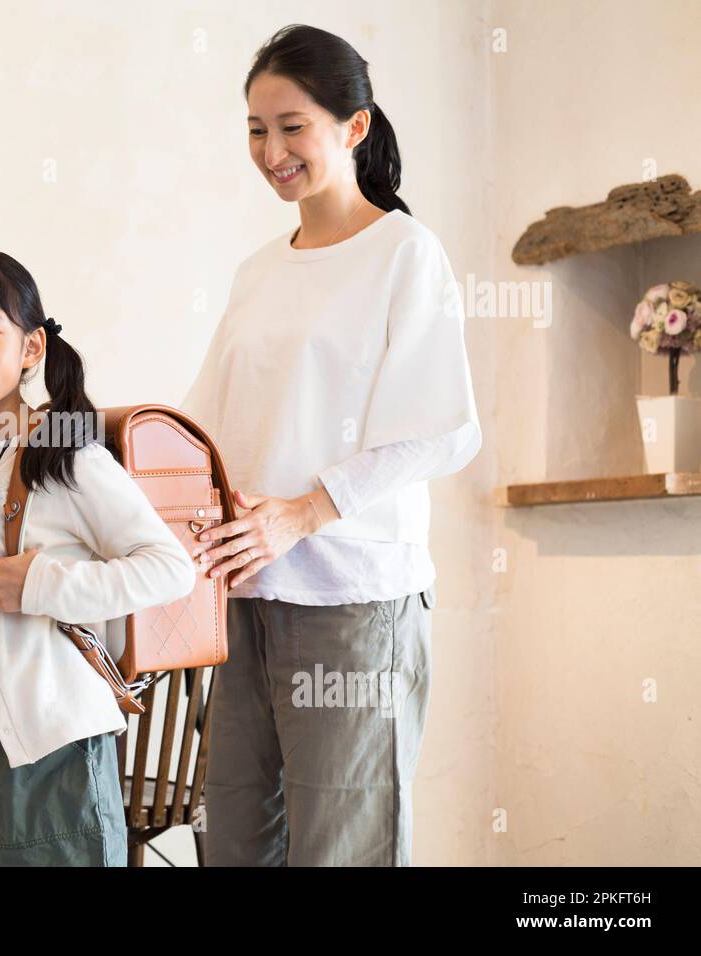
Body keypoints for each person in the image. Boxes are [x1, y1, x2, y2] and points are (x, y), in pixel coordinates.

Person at [181, 24, 482, 866]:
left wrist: (304, 513)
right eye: (255, 128)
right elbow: (201, 422)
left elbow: (443, 430)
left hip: (353, 601)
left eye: (291, 126)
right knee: (234, 839)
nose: (271, 149)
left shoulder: (405, 255)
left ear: (354, 127)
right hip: (244, 598)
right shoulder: (257, 271)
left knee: (341, 848)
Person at [0, 249, 196, 866]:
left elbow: (168, 567)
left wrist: (46, 585)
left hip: (45, 739)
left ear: (32, 347)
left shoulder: (64, 455)